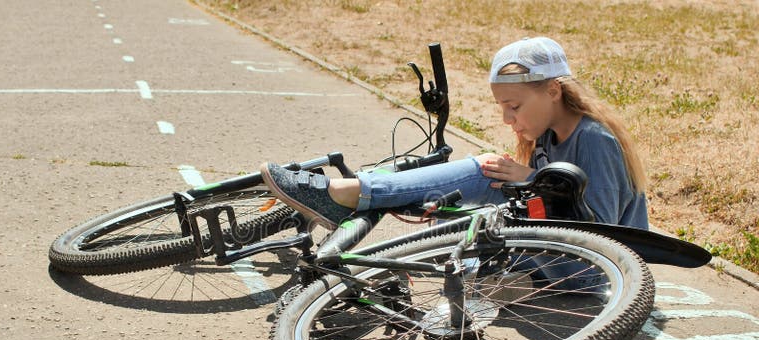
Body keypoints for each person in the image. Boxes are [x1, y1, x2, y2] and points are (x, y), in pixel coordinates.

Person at [260, 36, 648, 230]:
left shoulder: (595, 140)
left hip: (593, 273)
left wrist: (530, 179)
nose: (507, 119)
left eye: (514, 106)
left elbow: (604, 231)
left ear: (552, 91)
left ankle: (347, 193)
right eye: (502, 108)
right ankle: (359, 197)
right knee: (458, 212)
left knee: (486, 170)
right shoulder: (549, 136)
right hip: (560, 257)